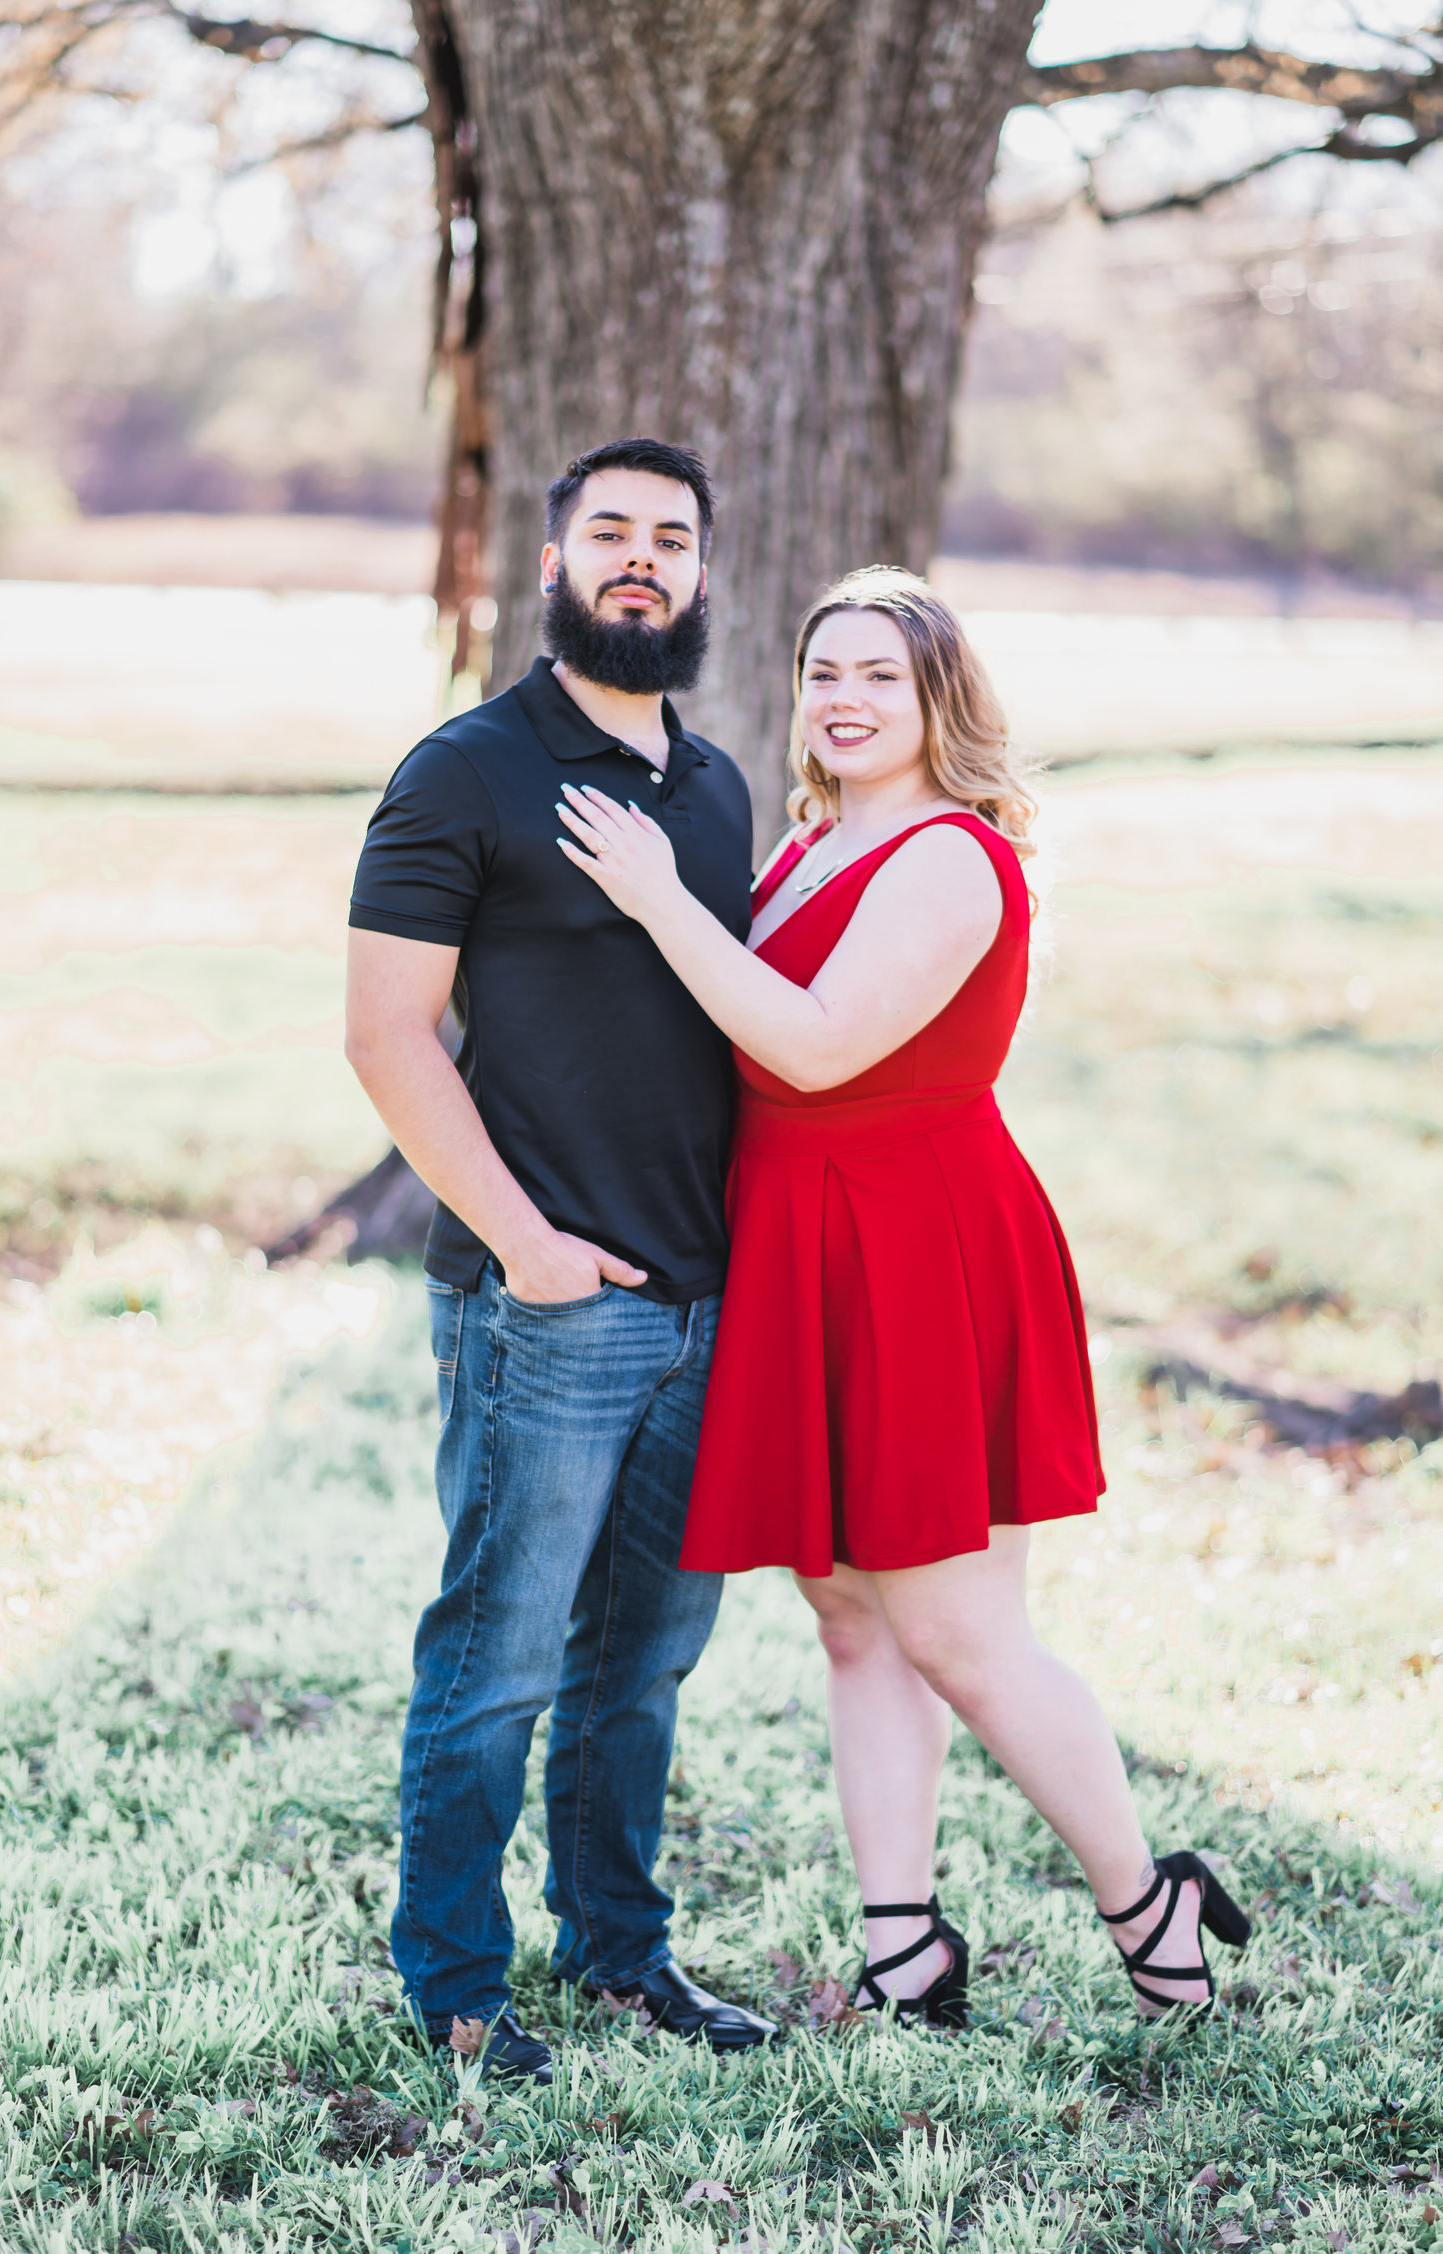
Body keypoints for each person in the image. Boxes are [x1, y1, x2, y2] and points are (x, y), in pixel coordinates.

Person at [556, 565, 1251, 2027]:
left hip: (921, 1248)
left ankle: (1151, 1900)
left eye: (882, 673)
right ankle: (901, 1944)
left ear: (942, 698)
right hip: (804, 1243)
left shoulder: (947, 857)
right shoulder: (809, 847)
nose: (846, 698)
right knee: (851, 1615)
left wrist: (657, 897)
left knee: (957, 1628)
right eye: (824, 671)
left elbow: (808, 1049)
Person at [344, 437, 776, 2082]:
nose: (642, 560)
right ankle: (457, 1982)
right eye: (612, 532)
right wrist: (524, 1244)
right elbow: (387, 1037)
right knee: (500, 1656)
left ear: (704, 576)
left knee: (645, 1662)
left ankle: (620, 1952)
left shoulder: (719, 787)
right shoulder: (465, 769)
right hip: (542, 1302)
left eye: (672, 537)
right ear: (554, 565)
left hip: (702, 1298)